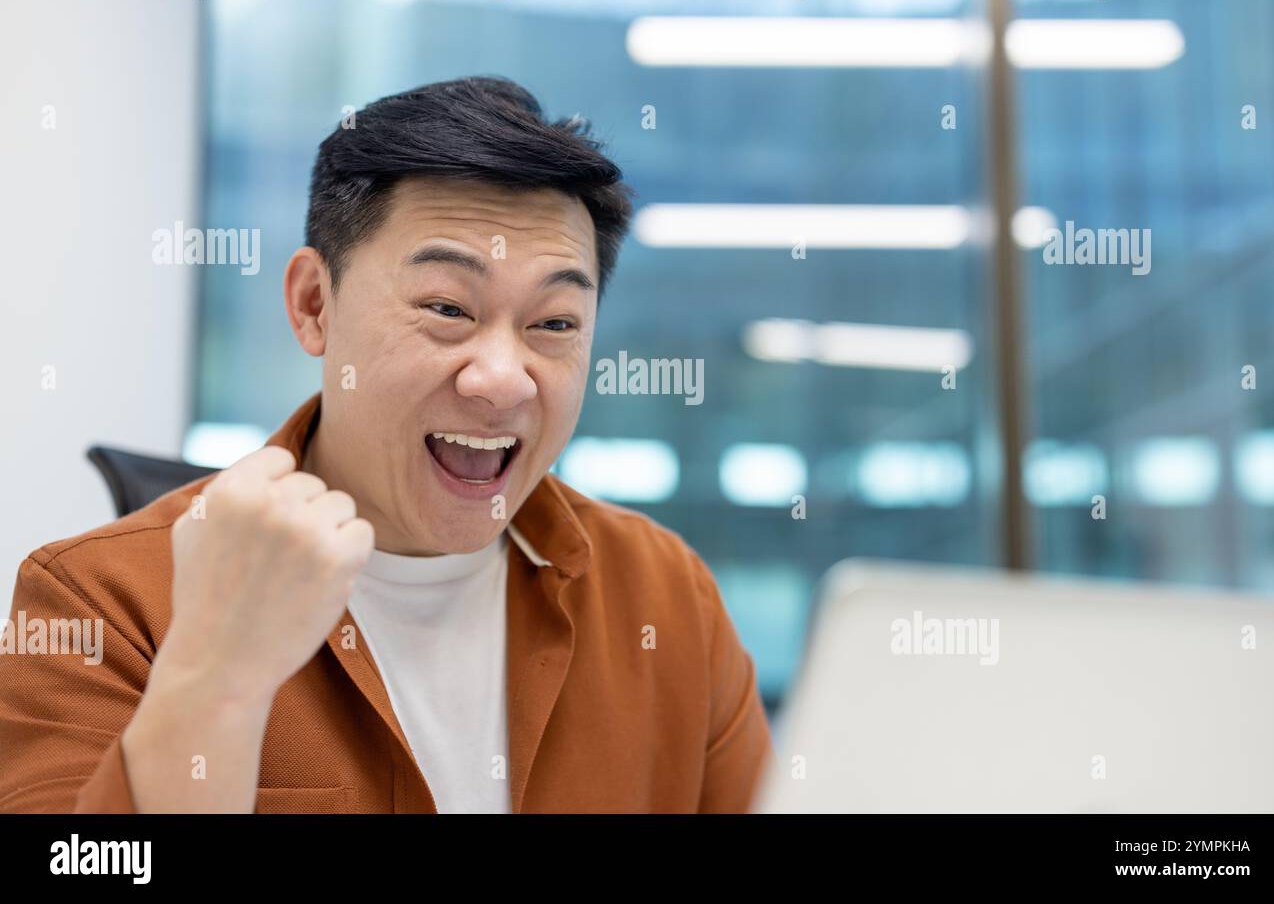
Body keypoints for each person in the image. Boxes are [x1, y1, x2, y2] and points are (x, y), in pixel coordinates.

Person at [0, 76, 773, 813]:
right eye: (446, 306)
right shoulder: (98, 598)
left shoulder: (666, 597)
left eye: (555, 324)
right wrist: (213, 678)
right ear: (313, 306)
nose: (503, 379)